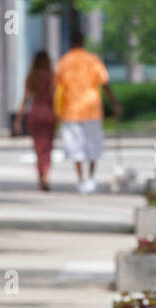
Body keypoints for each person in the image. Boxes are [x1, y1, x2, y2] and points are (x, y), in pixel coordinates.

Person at [53, 27, 121, 194]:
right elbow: (105, 83)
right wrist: (114, 103)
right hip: (91, 108)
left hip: (71, 110)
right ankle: (91, 178)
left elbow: (57, 87)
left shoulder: (64, 61)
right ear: (83, 42)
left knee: (75, 147)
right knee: (92, 144)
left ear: (70, 43)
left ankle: (80, 179)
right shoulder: (93, 60)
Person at [13, 51, 56, 191]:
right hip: (49, 113)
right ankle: (46, 175)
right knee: (47, 148)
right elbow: (55, 97)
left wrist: (18, 120)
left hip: (35, 113)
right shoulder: (52, 77)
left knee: (38, 149)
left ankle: (41, 178)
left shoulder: (32, 77)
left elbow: (25, 100)